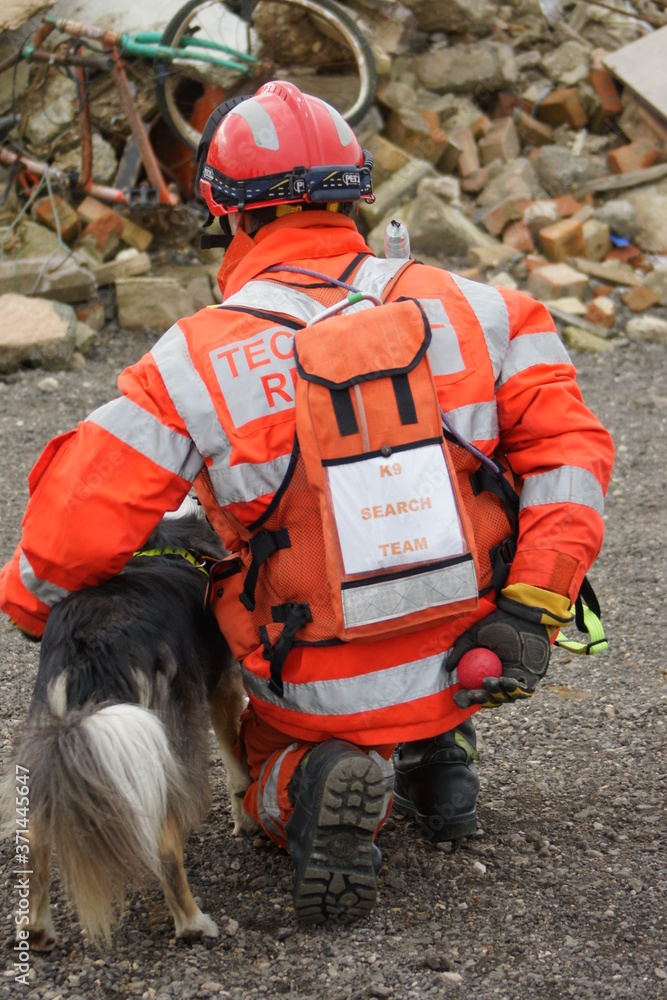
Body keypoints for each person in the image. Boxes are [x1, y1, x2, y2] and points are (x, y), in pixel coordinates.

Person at [0, 81, 614, 925]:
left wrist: (32, 602)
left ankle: (304, 783)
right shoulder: (488, 311)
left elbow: (74, 525)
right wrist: (533, 603)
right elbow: (571, 457)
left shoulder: (192, 358)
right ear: (357, 195)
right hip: (477, 650)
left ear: (226, 213)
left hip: (319, 682)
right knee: (441, 594)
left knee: (265, 767)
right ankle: (442, 760)